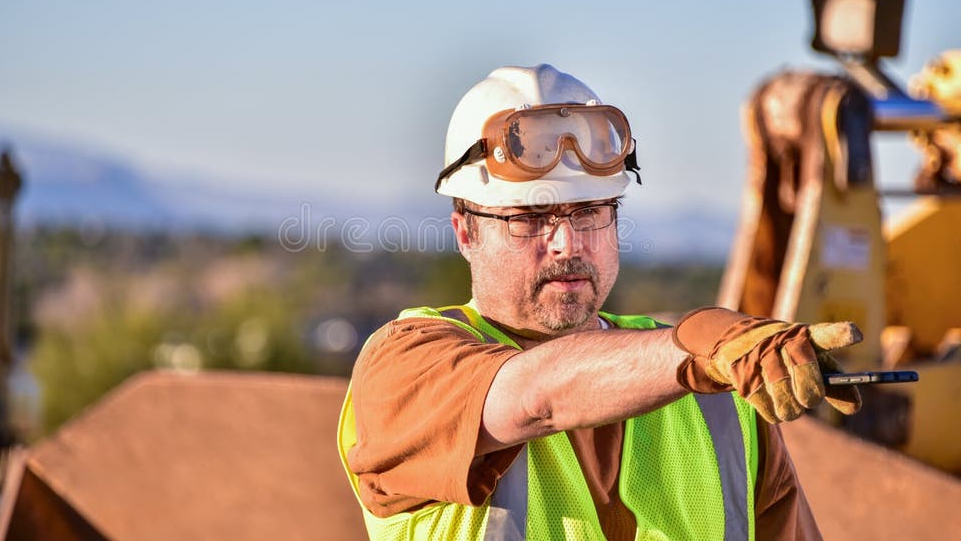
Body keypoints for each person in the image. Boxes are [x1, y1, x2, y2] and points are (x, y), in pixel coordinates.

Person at [338, 64, 863, 540]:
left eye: (590, 211)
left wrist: (705, 354)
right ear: (465, 231)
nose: (568, 243)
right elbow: (534, 397)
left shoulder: (728, 398)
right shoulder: (403, 364)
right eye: (529, 218)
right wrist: (697, 349)